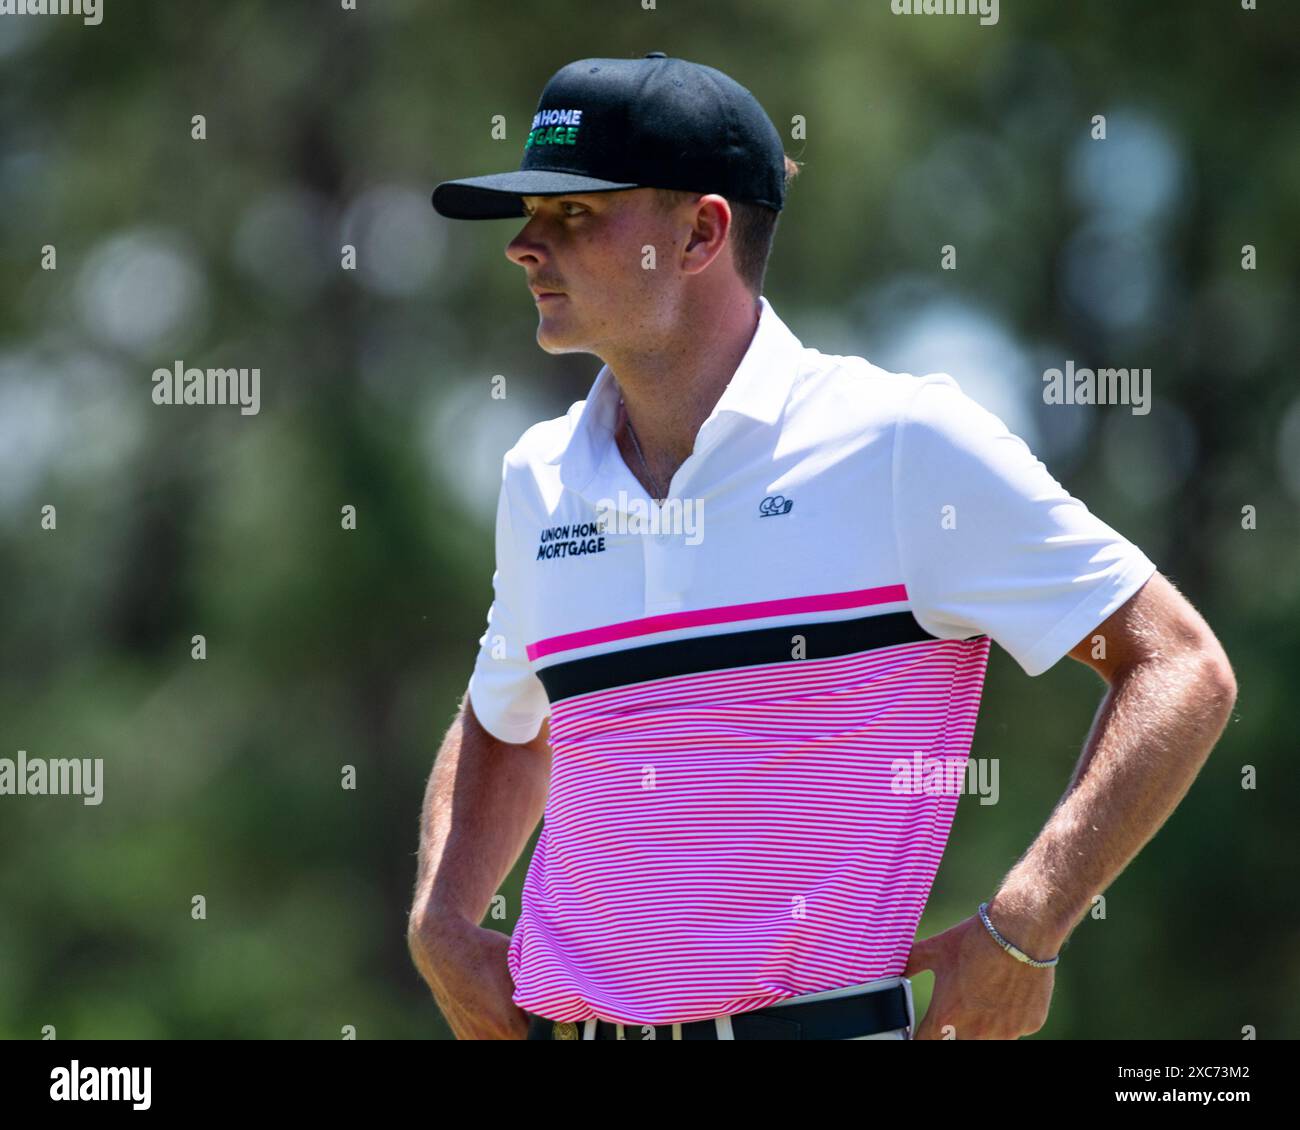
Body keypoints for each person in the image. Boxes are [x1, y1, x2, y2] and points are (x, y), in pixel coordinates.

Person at [406, 53, 1237, 1040]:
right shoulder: (538, 478)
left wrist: (1025, 923)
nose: (525, 246)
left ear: (701, 232)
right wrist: (443, 920)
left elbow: (1178, 665)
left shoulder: (900, 444)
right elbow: (506, 717)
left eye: (575, 214)